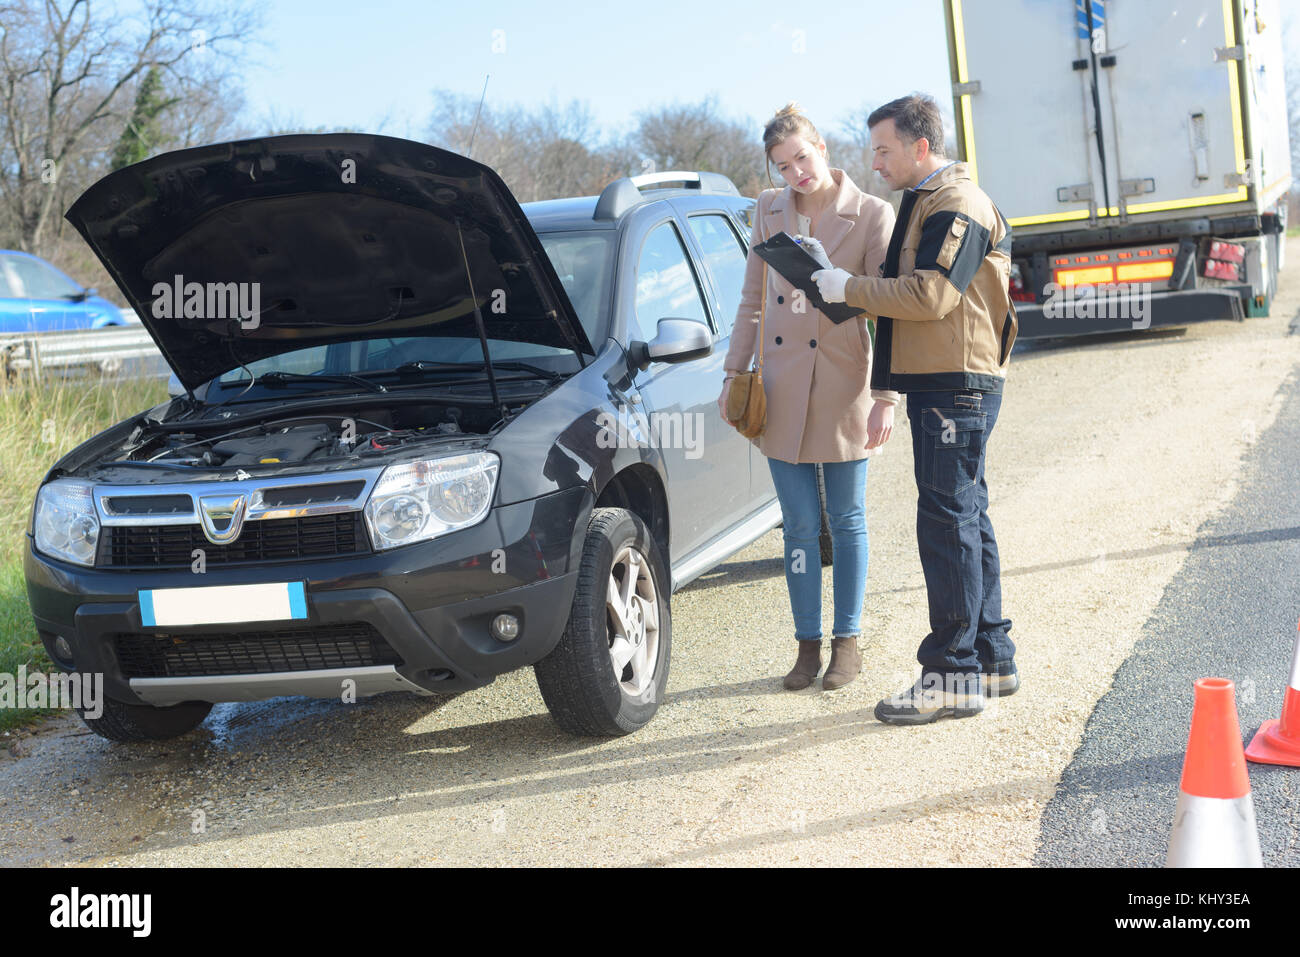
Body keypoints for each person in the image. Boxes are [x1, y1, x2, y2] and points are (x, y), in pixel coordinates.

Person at [810, 93, 1019, 725]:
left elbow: (930, 296)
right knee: (966, 516)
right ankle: (991, 655)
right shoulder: (928, 201)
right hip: (946, 381)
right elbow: (913, 302)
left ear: (920, 147)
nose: (874, 162)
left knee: (946, 523)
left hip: (955, 386)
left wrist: (847, 289)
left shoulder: (956, 203)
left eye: (883, 150)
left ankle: (952, 674)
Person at [718, 102, 900, 692]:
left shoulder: (872, 214)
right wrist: (733, 373)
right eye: (782, 165)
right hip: (781, 385)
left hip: (846, 380)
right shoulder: (768, 211)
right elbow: (750, 301)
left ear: (821, 147)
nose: (796, 172)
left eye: (802, 156)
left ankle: (847, 643)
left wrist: (885, 397)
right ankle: (805, 645)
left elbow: (890, 308)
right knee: (798, 526)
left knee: (846, 521)